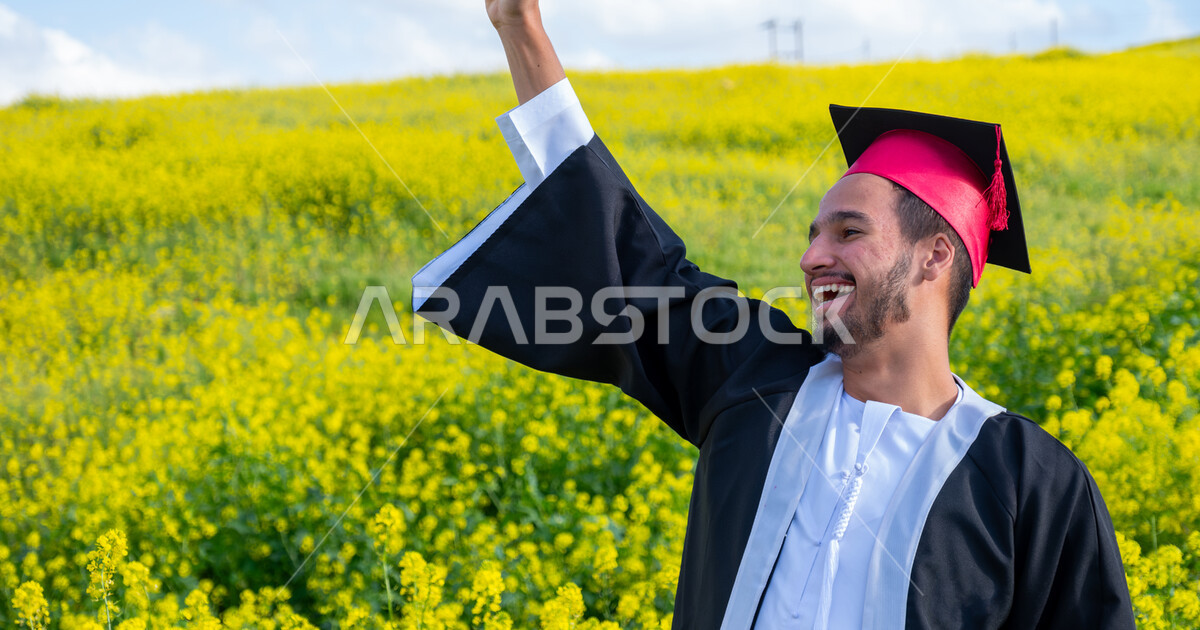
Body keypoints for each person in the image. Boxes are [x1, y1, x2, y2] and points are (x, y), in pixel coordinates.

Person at [410, 1, 1136, 628]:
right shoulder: (757, 381)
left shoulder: (1033, 483)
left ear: (934, 256)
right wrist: (519, 24)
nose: (813, 256)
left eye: (848, 232)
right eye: (813, 233)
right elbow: (624, 247)